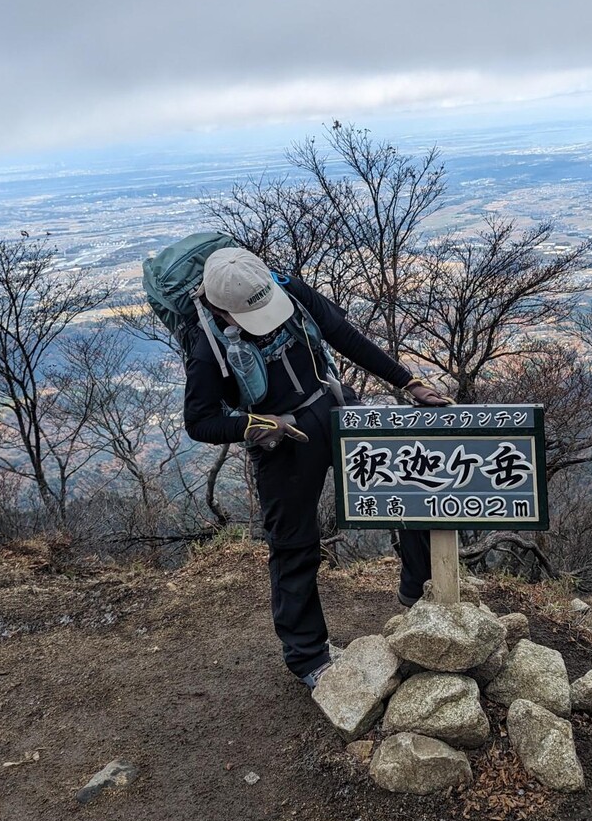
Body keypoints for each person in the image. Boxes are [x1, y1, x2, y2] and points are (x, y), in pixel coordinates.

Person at [182, 246, 452, 689]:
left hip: (334, 404)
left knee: (408, 488)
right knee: (294, 546)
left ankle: (417, 590)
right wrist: (256, 424)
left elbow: (344, 336)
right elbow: (200, 421)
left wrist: (410, 381)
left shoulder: (289, 291)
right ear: (218, 307)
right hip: (281, 443)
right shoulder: (207, 346)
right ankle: (308, 658)